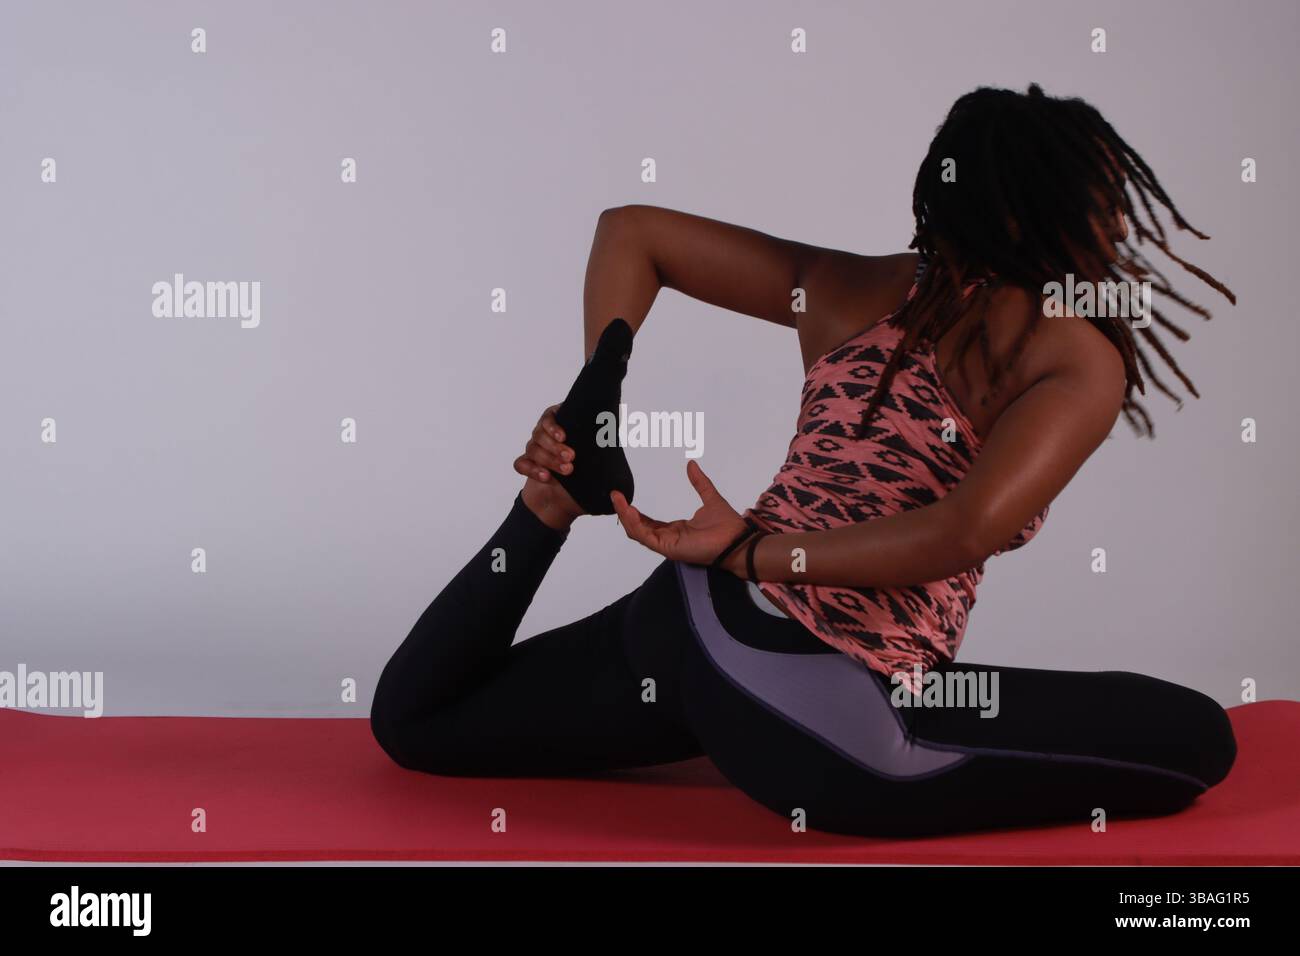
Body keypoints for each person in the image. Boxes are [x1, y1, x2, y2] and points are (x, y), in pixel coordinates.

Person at [370, 84, 1238, 838]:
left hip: (688, 619)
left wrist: (603, 379)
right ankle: (602, 531)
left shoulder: (848, 285)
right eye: (1103, 195)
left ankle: (546, 512)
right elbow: (961, 530)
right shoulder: (1073, 354)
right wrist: (751, 551)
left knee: (422, 721)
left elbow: (631, 233)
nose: (1117, 218)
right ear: (1048, 209)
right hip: (816, 688)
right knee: (1198, 737)